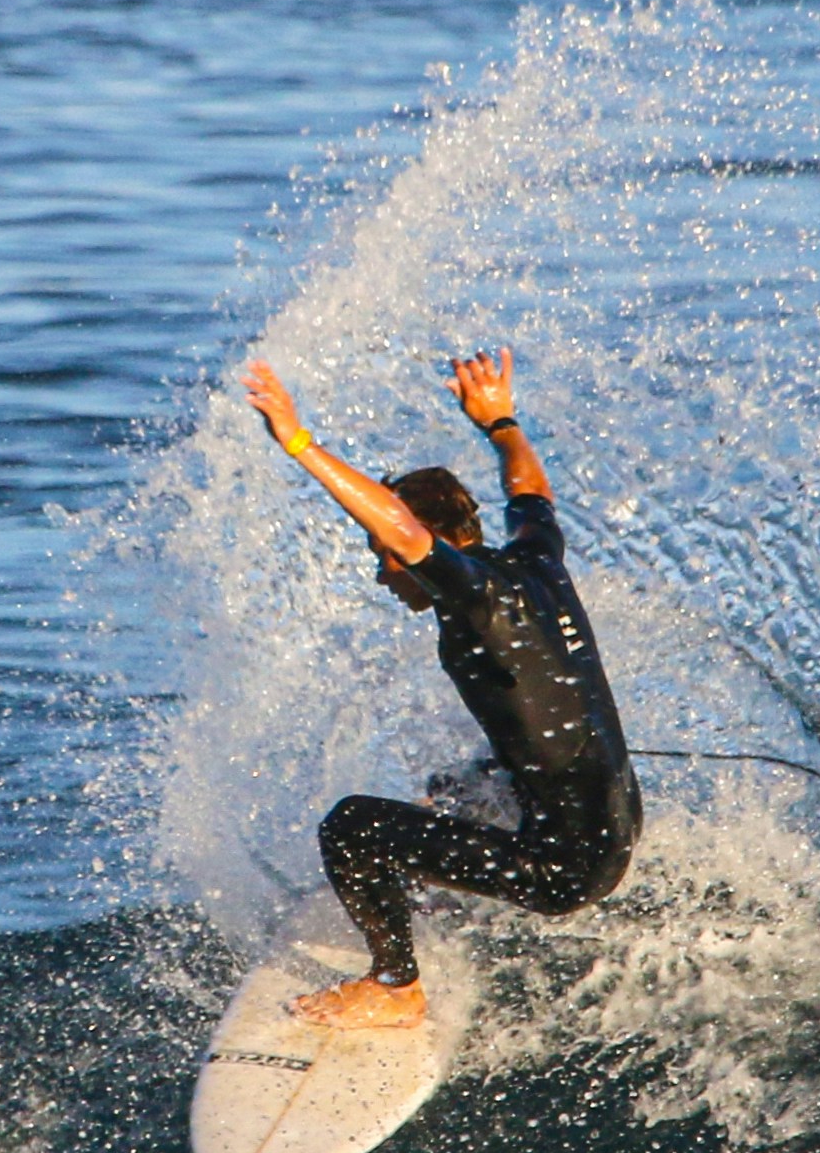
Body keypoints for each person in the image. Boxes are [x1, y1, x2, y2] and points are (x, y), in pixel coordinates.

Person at [239, 348, 640, 1030]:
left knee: (352, 827)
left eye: (383, 560)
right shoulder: (532, 559)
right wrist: (501, 421)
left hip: (563, 869)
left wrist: (298, 440)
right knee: (453, 785)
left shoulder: (475, 595)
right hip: (618, 827)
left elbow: (400, 528)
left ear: (424, 547)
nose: (382, 576)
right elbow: (529, 492)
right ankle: (443, 886)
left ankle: (395, 985)